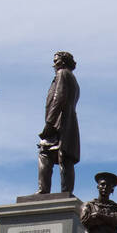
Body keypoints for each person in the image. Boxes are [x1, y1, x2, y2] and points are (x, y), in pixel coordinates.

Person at [38, 51, 80, 194]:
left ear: (62, 62)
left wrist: (49, 123)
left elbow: (58, 97)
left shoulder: (62, 74)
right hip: (68, 122)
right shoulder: (73, 79)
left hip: (59, 122)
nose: (53, 64)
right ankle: (66, 192)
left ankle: (43, 191)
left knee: (45, 151)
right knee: (65, 157)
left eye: (56, 61)